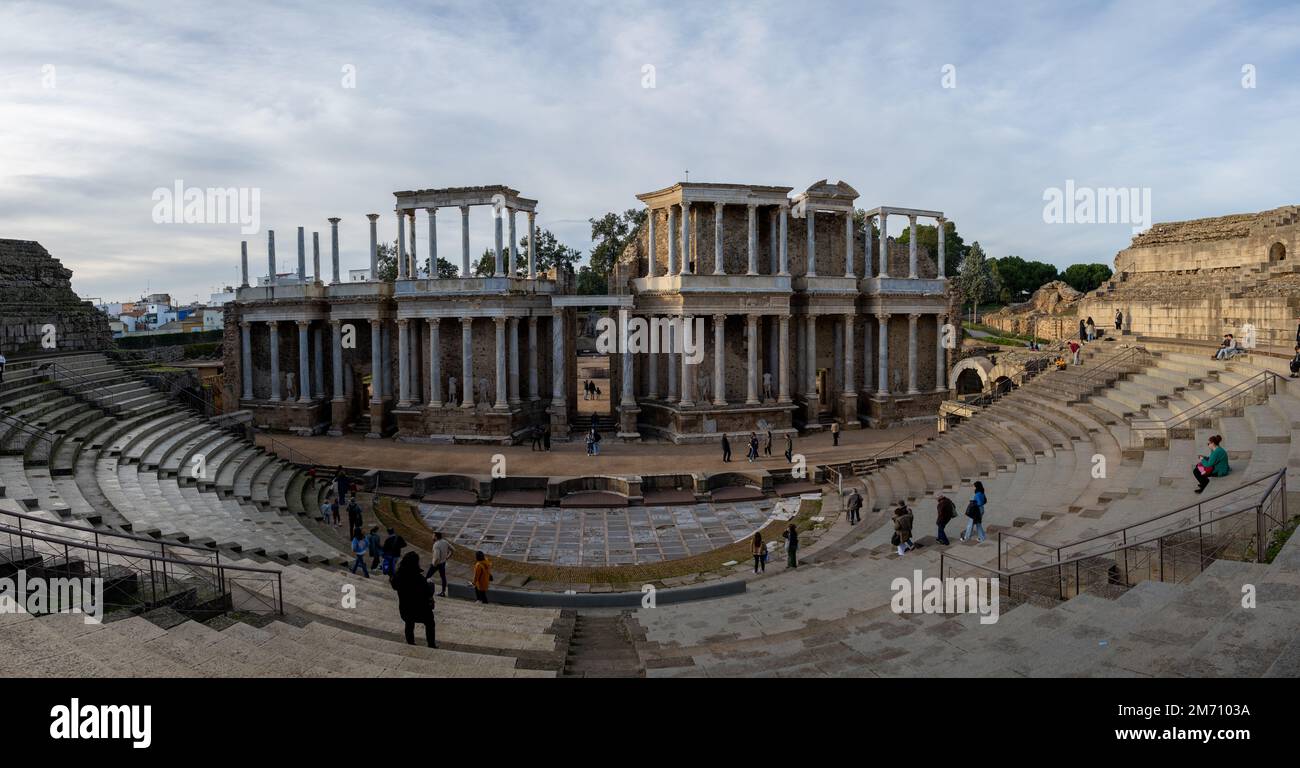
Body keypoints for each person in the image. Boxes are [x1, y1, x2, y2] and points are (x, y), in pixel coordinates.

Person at [390, 551, 436, 648]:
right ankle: (431, 644)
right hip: (420, 610)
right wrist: (430, 584)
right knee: (430, 623)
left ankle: (410, 642)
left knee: (409, 623)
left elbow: (394, 585)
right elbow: (428, 592)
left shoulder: (398, 577)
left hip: (405, 609)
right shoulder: (419, 579)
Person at [426, 531, 453, 596]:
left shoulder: (436, 545)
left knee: (427, 577)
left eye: (433, 536)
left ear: (436, 537)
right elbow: (452, 550)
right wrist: (447, 557)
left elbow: (437, 557)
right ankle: (443, 592)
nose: (432, 537)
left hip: (436, 564)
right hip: (443, 563)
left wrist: (434, 564)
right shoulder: (445, 542)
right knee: (443, 577)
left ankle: (423, 589)